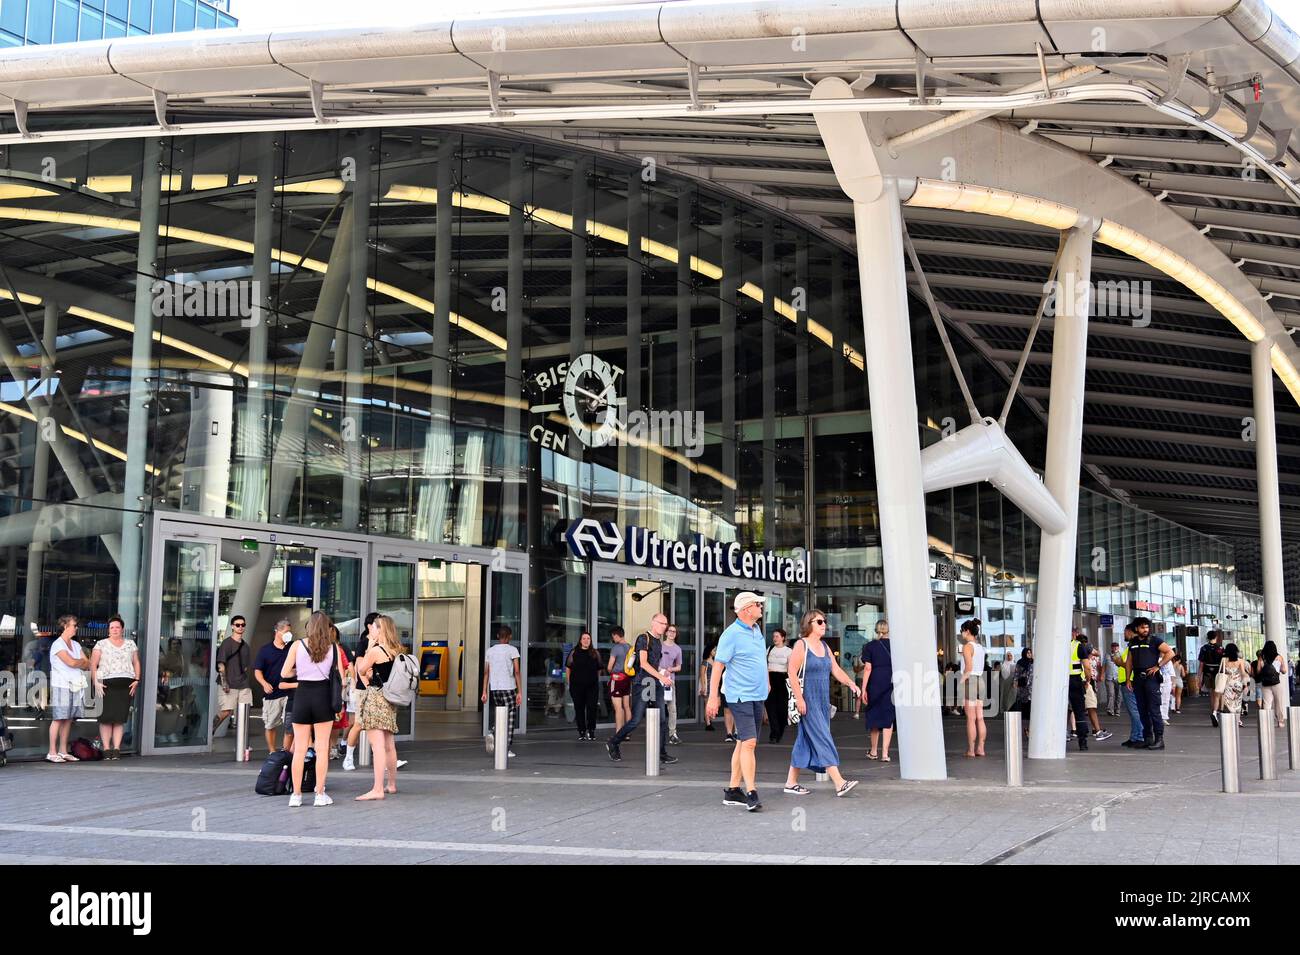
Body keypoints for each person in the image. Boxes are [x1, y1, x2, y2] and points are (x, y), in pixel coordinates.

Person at [784, 610, 860, 796]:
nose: (824, 624)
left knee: (804, 741)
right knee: (822, 737)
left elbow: (835, 669)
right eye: (819, 621)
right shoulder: (801, 645)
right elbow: (792, 672)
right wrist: (800, 699)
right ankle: (839, 782)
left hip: (822, 701)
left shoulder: (825, 647)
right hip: (808, 701)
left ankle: (790, 782)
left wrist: (850, 683)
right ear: (809, 624)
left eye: (824, 621)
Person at [708, 592, 769, 812]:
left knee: (743, 742)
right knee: (750, 742)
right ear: (745, 610)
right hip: (740, 695)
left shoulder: (757, 630)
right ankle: (751, 792)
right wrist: (713, 696)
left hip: (757, 694)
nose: (761, 607)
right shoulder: (730, 634)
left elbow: (759, 659)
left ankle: (733, 791)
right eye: (757, 604)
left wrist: (767, 681)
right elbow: (718, 666)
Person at [280, 610, 341, 807]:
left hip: (303, 696)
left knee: (299, 748)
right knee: (322, 748)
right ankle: (320, 794)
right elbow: (337, 674)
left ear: (309, 626)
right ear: (328, 628)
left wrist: (301, 669)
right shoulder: (333, 649)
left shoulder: (297, 645)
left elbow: (284, 672)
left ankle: (296, 795)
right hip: (323, 697)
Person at [606, 613, 675, 765]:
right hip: (643, 682)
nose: (665, 626)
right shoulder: (643, 638)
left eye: (666, 624)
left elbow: (654, 664)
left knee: (662, 719)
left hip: (655, 682)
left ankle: (661, 753)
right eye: (662, 623)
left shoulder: (658, 641)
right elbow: (643, 663)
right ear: (653, 623)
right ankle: (614, 742)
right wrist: (661, 677)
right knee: (636, 719)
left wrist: (663, 672)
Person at [355, 613, 404, 800]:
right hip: (391, 699)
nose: (371, 630)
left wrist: (369, 649)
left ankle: (377, 789)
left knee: (377, 746)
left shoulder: (376, 650)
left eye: (374, 628)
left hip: (376, 698)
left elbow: (360, 669)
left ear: (380, 629)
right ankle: (391, 784)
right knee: (389, 745)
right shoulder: (397, 650)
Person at [89, 615, 139, 760]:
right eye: (112, 627)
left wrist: (137, 679)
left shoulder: (130, 644)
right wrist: (96, 681)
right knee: (105, 718)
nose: (115, 629)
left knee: (119, 718)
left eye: (117, 627)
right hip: (105, 684)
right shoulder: (101, 644)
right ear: (108, 630)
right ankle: (106, 749)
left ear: (122, 629)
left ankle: (116, 749)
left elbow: (136, 662)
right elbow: (93, 664)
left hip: (125, 685)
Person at [46, 614, 89, 763]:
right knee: (58, 718)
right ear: (65, 626)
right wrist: (79, 662)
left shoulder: (76, 645)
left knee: (68, 719)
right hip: (62, 685)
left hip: (76, 684)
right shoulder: (58, 645)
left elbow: (87, 663)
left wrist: (78, 662)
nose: (76, 628)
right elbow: (71, 662)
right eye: (74, 625)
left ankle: (63, 751)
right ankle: (52, 752)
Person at [1126, 617, 1174, 750]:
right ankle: (1148, 738)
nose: (1145, 629)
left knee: (1154, 710)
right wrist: (1128, 679)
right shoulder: (1132, 642)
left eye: (1147, 627)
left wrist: (1158, 666)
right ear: (1136, 628)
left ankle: (1159, 740)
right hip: (1137, 679)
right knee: (1142, 710)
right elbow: (1129, 661)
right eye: (1142, 627)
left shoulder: (1155, 640)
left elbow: (1170, 652)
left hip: (1151, 678)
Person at [254, 619, 294, 754]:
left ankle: (285, 752)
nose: (289, 634)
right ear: (277, 632)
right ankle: (272, 752)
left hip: (290, 693)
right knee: (270, 724)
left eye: (290, 631)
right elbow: (257, 670)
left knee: (290, 726)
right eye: (286, 631)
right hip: (272, 694)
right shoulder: (265, 650)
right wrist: (264, 684)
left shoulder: (293, 647)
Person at [343, 612, 377, 770]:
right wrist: (367, 686)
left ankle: (382, 758)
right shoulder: (363, 643)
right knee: (358, 724)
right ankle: (348, 757)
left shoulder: (381, 643)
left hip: (376, 689)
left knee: (377, 726)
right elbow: (359, 668)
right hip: (364, 690)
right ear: (370, 626)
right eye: (378, 625)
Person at [482, 625, 522, 758]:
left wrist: (484, 692)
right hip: (508, 687)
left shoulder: (490, 651)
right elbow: (516, 671)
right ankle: (505, 748)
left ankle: (493, 732)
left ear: (498, 636)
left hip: (495, 689)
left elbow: (486, 672)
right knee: (510, 717)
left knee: (499, 715)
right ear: (510, 636)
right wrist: (519, 691)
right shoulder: (513, 650)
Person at [212, 614, 253, 737]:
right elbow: (221, 664)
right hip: (229, 683)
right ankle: (209, 731)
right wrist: (224, 682)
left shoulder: (245, 646)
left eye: (243, 625)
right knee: (226, 711)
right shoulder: (227, 643)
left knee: (245, 712)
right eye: (237, 625)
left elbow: (246, 666)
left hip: (243, 683)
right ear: (232, 627)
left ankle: (243, 744)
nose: (240, 627)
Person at [861, 619, 895, 761]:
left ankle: (874, 751)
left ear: (876, 630)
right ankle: (885, 754)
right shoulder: (896, 646)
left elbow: (868, 668)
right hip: (891, 681)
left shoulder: (870, 646)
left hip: (875, 681)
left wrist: (863, 688)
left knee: (874, 715)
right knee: (888, 716)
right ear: (888, 630)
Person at [566, 631, 601, 740]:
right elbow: (568, 668)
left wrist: (594, 680)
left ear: (590, 641)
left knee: (592, 708)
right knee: (579, 708)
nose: (586, 640)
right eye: (584, 638)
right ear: (580, 641)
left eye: (588, 638)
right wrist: (569, 682)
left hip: (592, 687)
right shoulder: (574, 652)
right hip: (576, 686)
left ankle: (591, 731)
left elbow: (599, 669)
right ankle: (581, 731)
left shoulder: (595, 653)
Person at [959, 619, 987, 757]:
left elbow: (968, 668)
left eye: (962, 630)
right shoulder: (980, 647)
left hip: (970, 681)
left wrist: (961, 681)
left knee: (970, 718)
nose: (961, 633)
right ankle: (981, 748)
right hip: (981, 681)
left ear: (967, 631)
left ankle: (971, 750)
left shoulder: (967, 647)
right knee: (980, 717)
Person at [1113, 628, 1144, 748]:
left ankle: (1140, 736)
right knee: (1133, 712)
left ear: (1130, 632)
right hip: (1128, 682)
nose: (1124, 634)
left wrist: (1118, 661)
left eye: (1125, 632)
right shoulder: (1131, 646)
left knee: (1134, 711)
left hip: (1129, 682)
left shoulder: (1134, 646)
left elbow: (1128, 664)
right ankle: (1135, 736)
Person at [701, 645, 736, 737]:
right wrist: (703, 686)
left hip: (716, 685)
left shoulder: (716, 661)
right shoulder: (705, 662)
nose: (715, 652)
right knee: (707, 703)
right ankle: (708, 723)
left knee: (717, 703)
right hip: (708, 684)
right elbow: (702, 675)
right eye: (714, 650)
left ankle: (711, 719)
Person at [765, 629, 792, 744]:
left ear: (783, 638)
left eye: (777, 636)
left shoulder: (789, 651)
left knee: (782, 709)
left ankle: (779, 731)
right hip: (770, 678)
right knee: (771, 708)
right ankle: (774, 733)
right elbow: (765, 666)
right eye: (774, 636)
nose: (774, 638)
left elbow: (791, 669)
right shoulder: (769, 649)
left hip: (782, 679)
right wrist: (767, 682)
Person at [1066, 629, 1091, 751]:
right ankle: (1082, 741)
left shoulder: (1056, 645)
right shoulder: (1078, 646)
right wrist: (1087, 680)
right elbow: (1087, 666)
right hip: (1075, 680)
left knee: (1060, 710)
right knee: (1079, 711)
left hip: (1059, 681)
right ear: (1073, 634)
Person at [1254, 640, 1288, 728]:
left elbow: (1258, 670)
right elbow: (1284, 671)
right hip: (1276, 683)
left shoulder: (1262, 657)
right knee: (1278, 703)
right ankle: (1280, 721)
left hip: (1266, 684)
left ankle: (1267, 722)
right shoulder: (1279, 657)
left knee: (1266, 703)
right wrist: (1278, 669)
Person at [606, 627, 632, 733]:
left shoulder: (616, 648)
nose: (613, 639)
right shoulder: (631, 647)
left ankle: (619, 732)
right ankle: (628, 732)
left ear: (616, 635)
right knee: (627, 706)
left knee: (618, 708)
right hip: (627, 679)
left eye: (613, 637)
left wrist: (610, 671)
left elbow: (609, 667)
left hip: (617, 679)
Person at [661, 623, 683, 744]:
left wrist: (670, 670)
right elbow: (653, 662)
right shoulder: (659, 646)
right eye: (670, 631)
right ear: (666, 632)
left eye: (674, 631)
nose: (671, 633)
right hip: (659, 680)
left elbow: (679, 667)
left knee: (672, 708)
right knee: (658, 707)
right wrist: (661, 670)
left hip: (670, 682)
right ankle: (657, 731)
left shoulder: (677, 649)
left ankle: (672, 733)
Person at [1085, 648, 1112, 741]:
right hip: (1086, 682)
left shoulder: (1093, 657)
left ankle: (1095, 729)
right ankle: (1096, 730)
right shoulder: (1082, 654)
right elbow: (1087, 668)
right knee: (1091, 706)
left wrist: (1100, 675)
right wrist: (1088, 680)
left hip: (1090, 681)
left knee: (1089, 706)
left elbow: (1099, 660)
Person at [1219, 643, 1250, 727]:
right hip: (1238, 684)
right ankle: (1238, 720)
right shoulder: (1240, 661)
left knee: (1229, 702)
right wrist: (1246, 684)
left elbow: (1222, 672)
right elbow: (1243, 673)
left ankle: (1233, 716)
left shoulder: (1224, 660)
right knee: (1238, 703)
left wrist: (1229, 672)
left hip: (1228, 684)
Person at [1200, 631, 1225, 722]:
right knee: (1218, 692)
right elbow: (1224, 662)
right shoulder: (1221, 648)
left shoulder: (1204, 648)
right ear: (1216, 637)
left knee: (1211, 693)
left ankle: (1213, 710)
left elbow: (1201, 663)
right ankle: (1218, 710)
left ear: (1208, 637)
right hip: (1218, 672)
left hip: (1207, 671)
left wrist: (1199, 676)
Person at [1010, 647, 1033, 739]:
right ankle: (1026, 728)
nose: (1029, 654)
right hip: (1024, 690)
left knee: (1032, 711)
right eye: (1028, 653)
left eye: (1030, 653)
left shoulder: (1033, 662)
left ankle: (1030, 729)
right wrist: (1015, 683)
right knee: (1025, 711)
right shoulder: (1020, 662)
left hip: (1033, 689)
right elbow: (1016, 674)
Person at [1104, 643, 1121, 717]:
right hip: (1109, 678)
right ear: (1111, 648)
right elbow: (1104, 665)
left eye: (1116, 647)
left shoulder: (1121, 655)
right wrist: (1101, 675)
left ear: (1118, 648)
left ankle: (1117, 710)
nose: (1114, 649)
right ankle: (1110, 710)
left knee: (1119, 695)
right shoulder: (1107, 655)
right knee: (1111, 694)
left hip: (1118, 678)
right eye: (1113, 647)